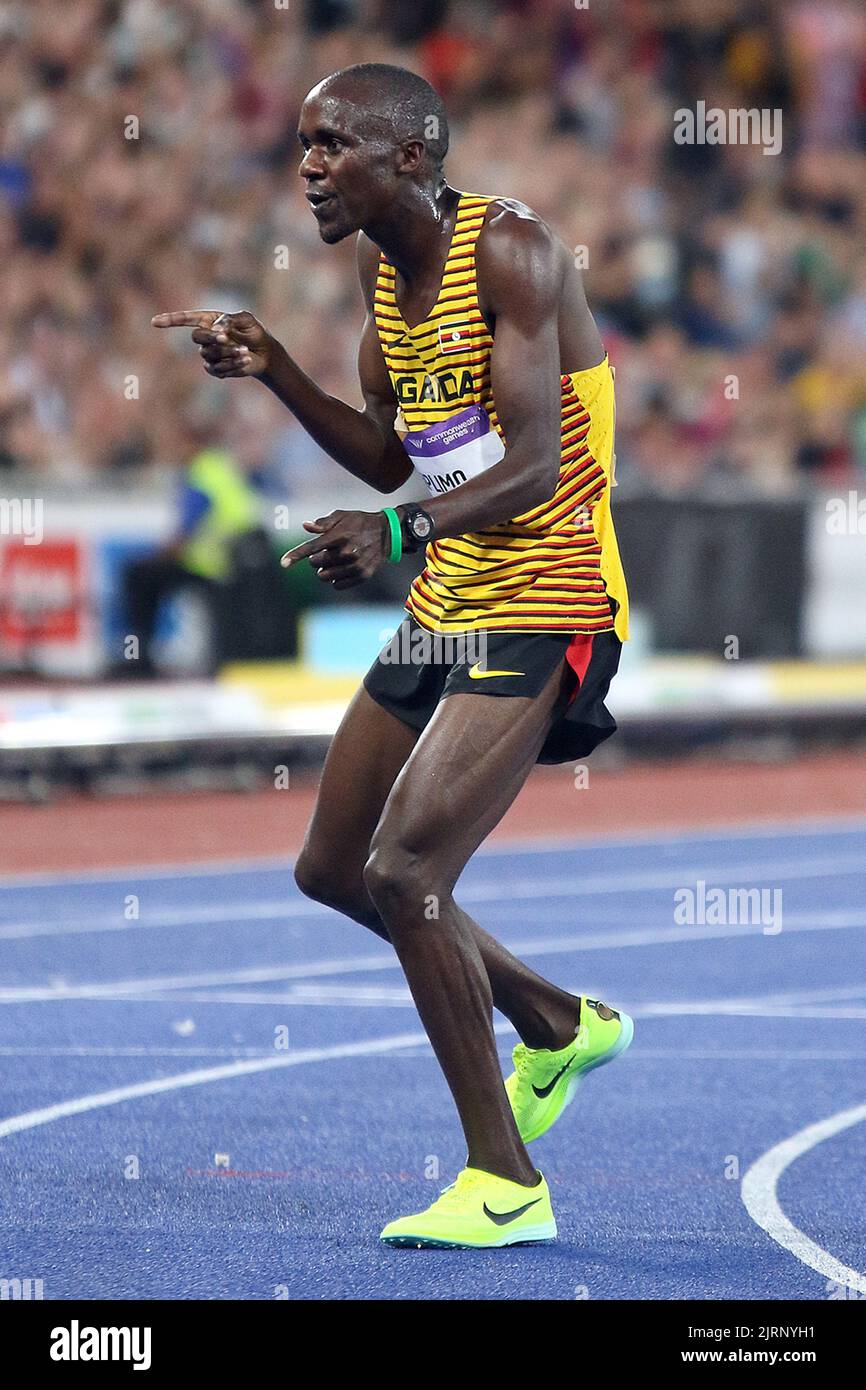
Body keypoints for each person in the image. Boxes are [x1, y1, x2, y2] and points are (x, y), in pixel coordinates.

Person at [153, 62, 633, 1249]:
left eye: (329, 145)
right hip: (453, 595)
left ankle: (504, 1181)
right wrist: (275, 370)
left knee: (406, 872)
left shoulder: (514, 255)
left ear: (409, 156)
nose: (306, 166)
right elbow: (386, 455)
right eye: (302, 145)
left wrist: (400, 529)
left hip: (550, 595)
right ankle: (555, 1019)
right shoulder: (380, 270)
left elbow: (524, 465)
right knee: (332, 866)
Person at [121, 443, 264, 676]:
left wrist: (161, 554)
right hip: (238, 566)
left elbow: (185, 534)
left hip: (208, 566)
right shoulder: (220, 467)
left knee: (139, 575)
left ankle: (139, 656)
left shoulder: (201, 475)